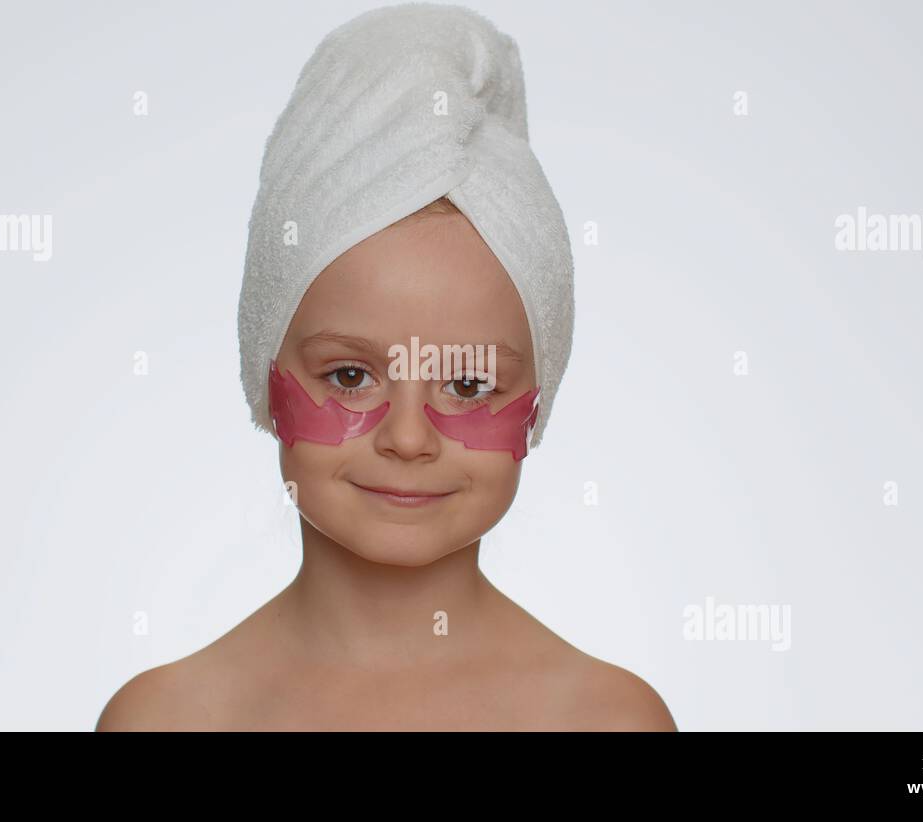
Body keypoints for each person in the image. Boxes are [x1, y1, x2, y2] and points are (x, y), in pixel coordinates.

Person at [97, 4, 676, 731]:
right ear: (265, 370)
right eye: (349, 376)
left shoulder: (606, 721)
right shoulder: (166, 720)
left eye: (467, 384)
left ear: (538, 399)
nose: (408, 438)